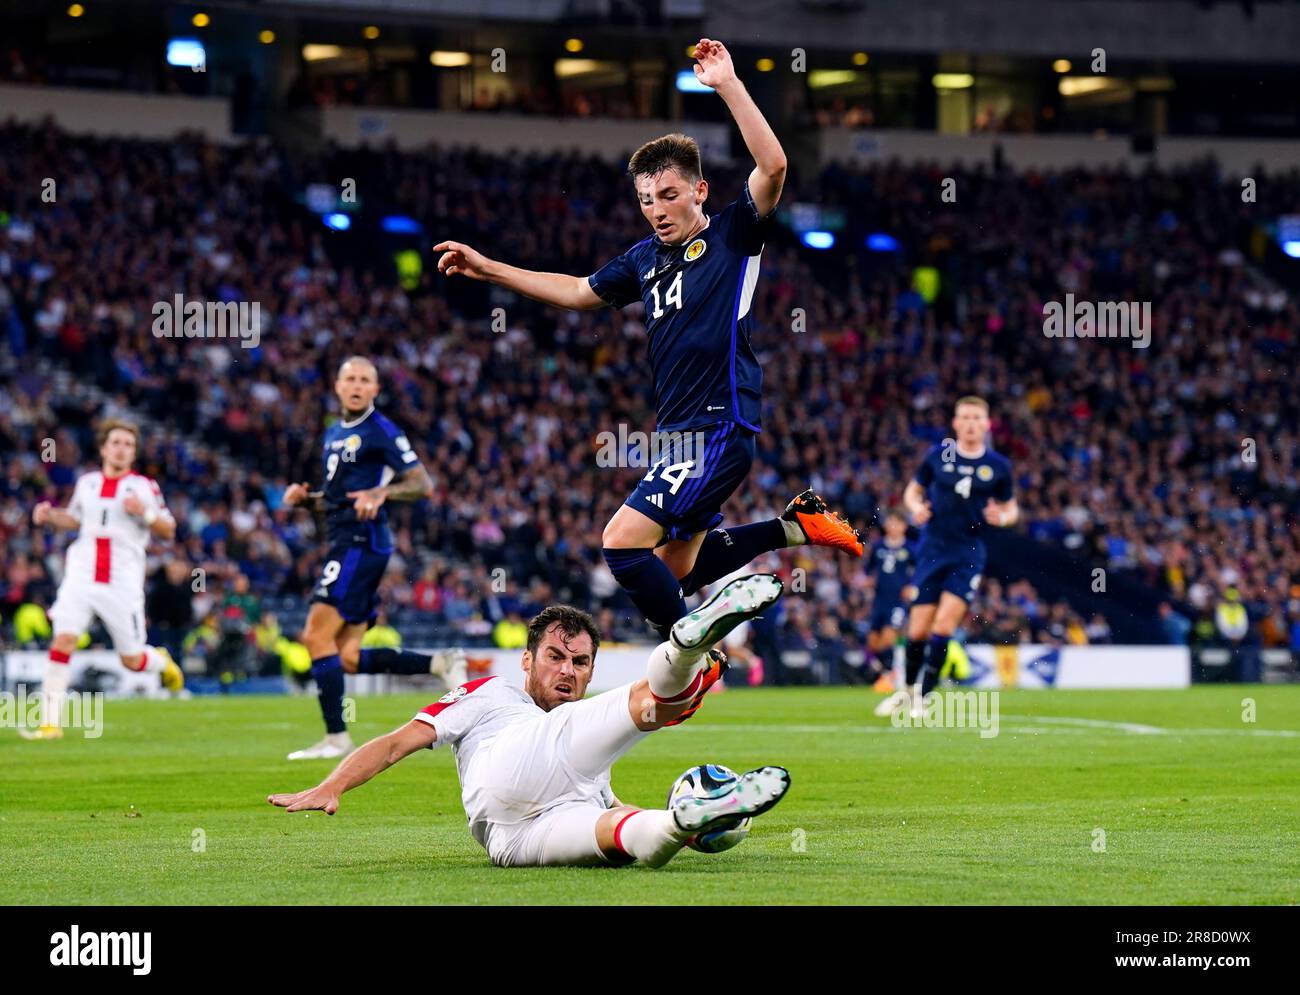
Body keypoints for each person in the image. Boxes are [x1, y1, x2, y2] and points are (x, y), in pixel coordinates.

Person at [434, 38, 862, 640]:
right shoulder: (642, 259)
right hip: (677, 434)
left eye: (666, 195)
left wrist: (728, 85)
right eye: (644, 200)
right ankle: (792, 529)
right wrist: (490, 269)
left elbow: (773, 167)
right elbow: (579, 291)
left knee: (621, 544)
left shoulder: (735, 233)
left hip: (720, 423)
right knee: (671, 571)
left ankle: (691, 653)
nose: (655, 210)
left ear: (699, 191)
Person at [268, 574, 791, 869]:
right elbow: (398, 742)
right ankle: (684, 646)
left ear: (590, 671)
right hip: (510, 768)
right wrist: (334, 784)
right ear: (526, 661)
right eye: (555, 656)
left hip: (514, 839)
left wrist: (693, 825)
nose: (567, 671)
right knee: (650, 705)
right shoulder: (491, 694)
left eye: (580, 663)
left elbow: (609, 804)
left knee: (631, 842)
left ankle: (685, 821)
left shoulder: (581, 742)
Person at [281, 356, 466, 760]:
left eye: (365, 380)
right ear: (337, 386)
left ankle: (336, 738)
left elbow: (423, 484)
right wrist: (304, 501)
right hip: (346, 537)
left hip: (361, 542)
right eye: (350, 378)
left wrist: (382, 493)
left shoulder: (380, 429)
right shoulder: (333, 432)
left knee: (315, 635)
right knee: (345, 657)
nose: (357, 385)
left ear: (375, 389)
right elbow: (334, 503)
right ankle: (439, 662)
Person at [23, 419, 184, 740]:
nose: (122, 449)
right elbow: (75, 519)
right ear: (103, 448)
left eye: (128, 444)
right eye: (116, 443)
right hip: (81, 575)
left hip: (121, 581)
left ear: (134, 452)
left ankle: (160, 661)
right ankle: (49, 723)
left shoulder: (143, 487)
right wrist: (51, 516)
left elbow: (169, 529)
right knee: (63, 640)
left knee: (131, 659)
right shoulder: (87, 483)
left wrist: (145, 513)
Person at [891, 397, 1018, 717]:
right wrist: (916, 508)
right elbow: (912, 491)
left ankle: (924, 695)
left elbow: (1011, 507)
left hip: (968, 551)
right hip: (933, 548)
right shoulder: (937, 456)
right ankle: (905, 691)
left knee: (944, 625)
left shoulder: (998, 466)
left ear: (987, 424)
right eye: (966, 417)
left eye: (977, 417)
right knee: (917, 630)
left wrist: (1002, 518)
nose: (971, 423)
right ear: (956, 423)